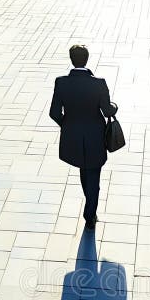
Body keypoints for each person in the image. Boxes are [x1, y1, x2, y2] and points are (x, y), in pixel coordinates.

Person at [50, 44, 117, 230]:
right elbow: (106, 111)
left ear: (71, 59)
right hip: (95, 136)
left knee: (83, 169)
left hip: (73, 136)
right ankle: (90, 214)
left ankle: (90, 207)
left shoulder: (61, 82)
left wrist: (67, 125)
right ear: (87, 59)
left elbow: (54, 112)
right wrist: (114, 108)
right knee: (93, 174)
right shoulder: (99, 83)